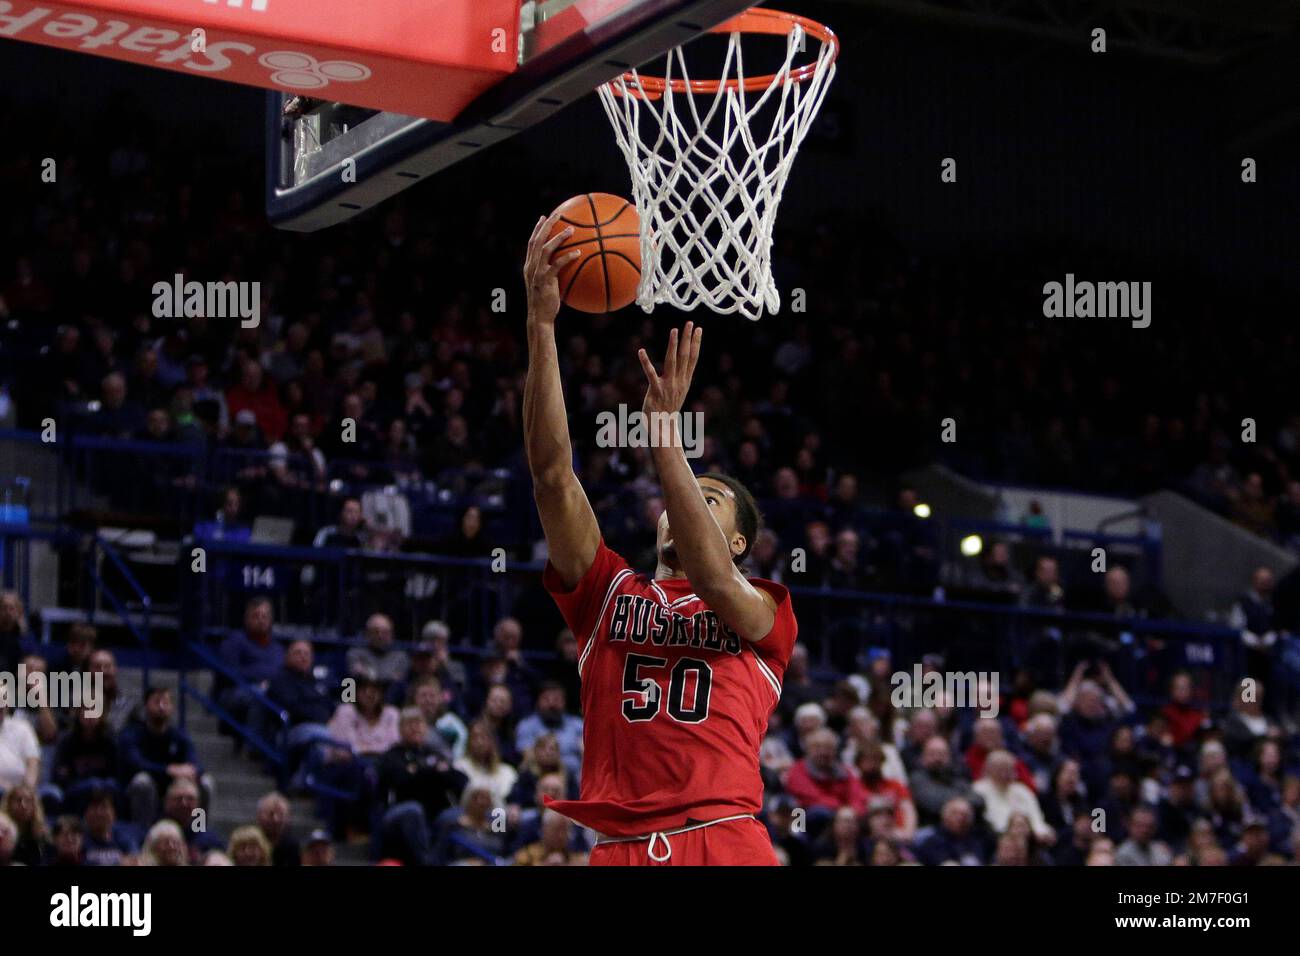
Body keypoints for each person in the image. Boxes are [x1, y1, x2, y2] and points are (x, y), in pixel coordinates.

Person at [522, 215, 797, 865]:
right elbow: (553, 477)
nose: (680, 507)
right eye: (677, 499)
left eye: (709, 500)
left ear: (737, 543)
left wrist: (666, 440)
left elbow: (709, 579)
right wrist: (540, 324)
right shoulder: (604, 593)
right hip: (619, 847)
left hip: (724, 837)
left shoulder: (764, 613)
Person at [120, 686, 206, 825]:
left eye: (166, 702)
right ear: (146, 705)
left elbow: (195, 762)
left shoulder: (179, 735)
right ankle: (143, 831)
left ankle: (198, 830)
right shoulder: (132, 734)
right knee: (142, 781)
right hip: (148, 786)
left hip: (174, 786)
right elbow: (135, 763)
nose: (161, 706)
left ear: (172, 707)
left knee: (205, 782)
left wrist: (191, 771)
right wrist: (167, 770)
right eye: (156, 701)